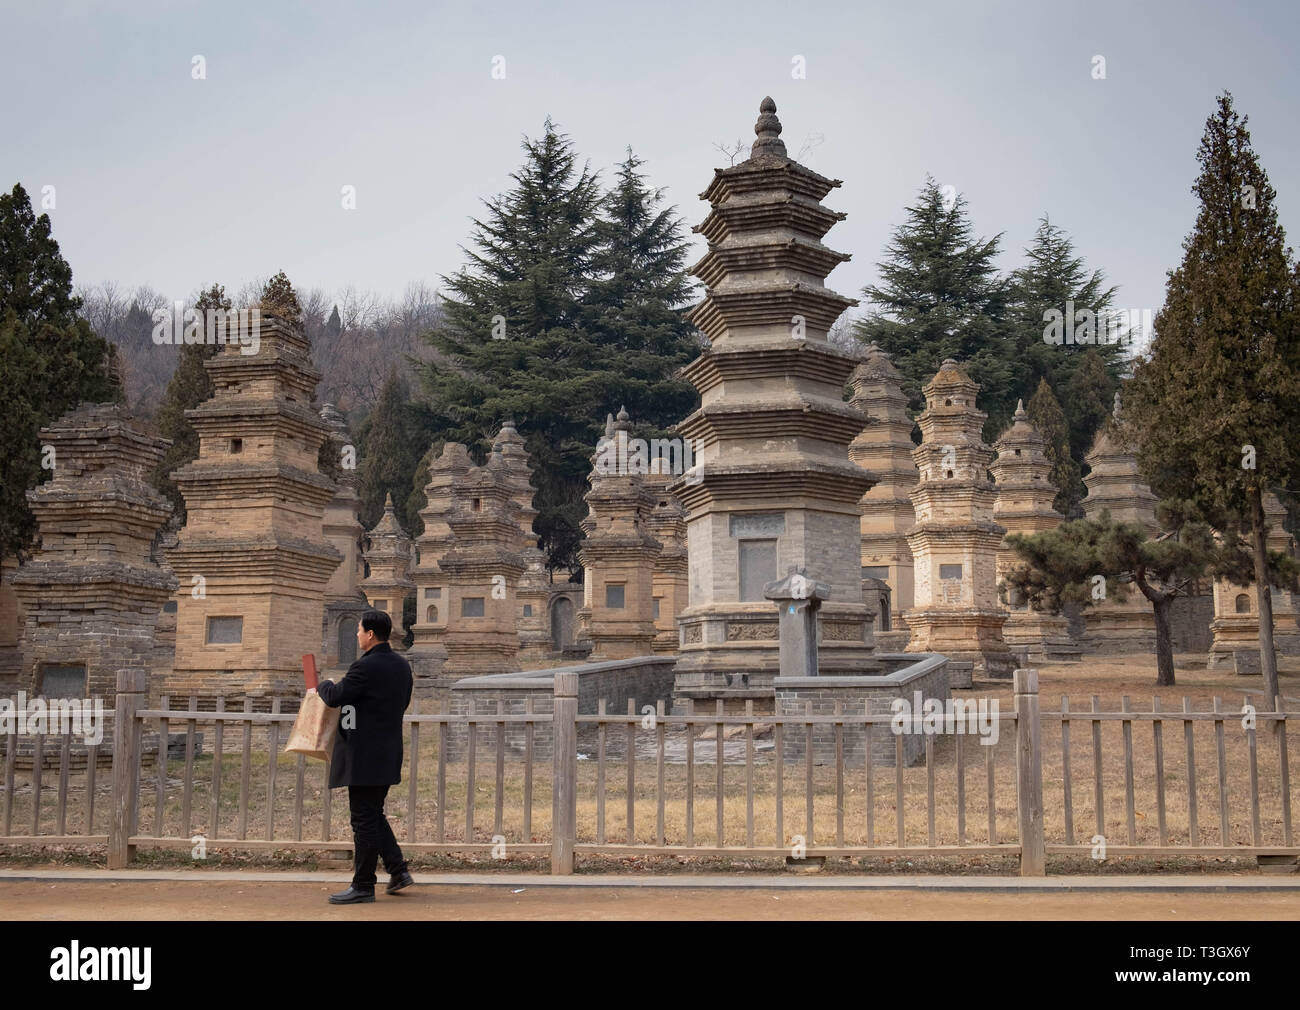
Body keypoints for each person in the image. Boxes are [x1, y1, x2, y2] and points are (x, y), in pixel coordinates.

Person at [315, 609, 414, 904]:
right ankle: (397, 870)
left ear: (370, 634)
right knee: (372, 814)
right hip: (387, 750)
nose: (357, 635)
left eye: (359, 631)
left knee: (363, 820)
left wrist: (322, 684)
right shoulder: (401, 666)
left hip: (363, 754)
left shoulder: (364, 667)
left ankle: (363, 885)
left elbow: (334, 696)